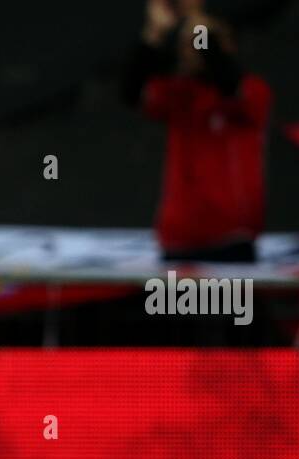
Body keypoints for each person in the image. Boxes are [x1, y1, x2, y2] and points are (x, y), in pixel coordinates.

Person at [122, 0, 270, 262]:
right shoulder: (179, 94)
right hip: (179, 240)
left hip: (230, 241)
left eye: (199, 42)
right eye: (185, 44)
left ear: (228, 45)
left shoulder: (250, 94)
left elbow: (224, 72)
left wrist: (198, 24)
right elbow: (130, 92)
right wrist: (154, 34)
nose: (191, 50)